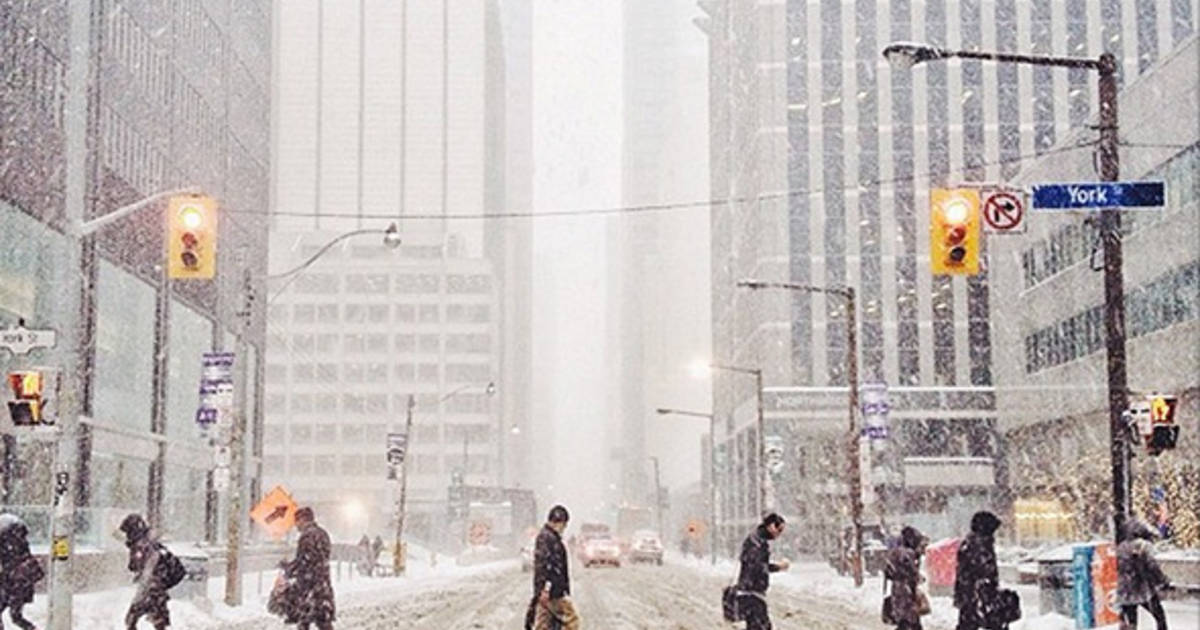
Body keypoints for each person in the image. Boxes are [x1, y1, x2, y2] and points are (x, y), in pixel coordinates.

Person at [525, 505, 579, 630]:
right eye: (564, 524)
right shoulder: (548, 538)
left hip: (550, 590)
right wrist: (546, 588)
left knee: (544, 623)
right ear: (558, 522)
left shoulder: (549, 537)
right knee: (571, 620)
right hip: (553, 592)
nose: (564, 528)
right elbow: (546, 565)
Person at [735, 513, 791, 630]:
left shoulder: (758, 540)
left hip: (752, 592)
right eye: (779, 529)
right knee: (762, 627)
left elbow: (757, 565)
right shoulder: (756, 543)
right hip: (752, 593)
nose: (779, 534)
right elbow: (756, 566)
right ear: (771, 526)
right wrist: (778, 567)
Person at [284, 507, 336, 630]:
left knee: (304, 620)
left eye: (297, 521)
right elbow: (322, 557)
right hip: (322, 583)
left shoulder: (307, 536)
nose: (296, 525)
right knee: (323, 620)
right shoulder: (323, 533)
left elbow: (304, 560)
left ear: (303, 519)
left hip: (309, 585)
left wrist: (290, 568)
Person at [120, 513, 171, 630]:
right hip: (157, 587)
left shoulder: (140, 546)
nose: (127, 536)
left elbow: (134, 566)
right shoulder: (148, 542)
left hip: (150, 587)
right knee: (158, 620)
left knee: (132, 618)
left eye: (127, 533)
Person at [1116, 519, 1170, 630]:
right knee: (1159, 615)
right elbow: (1152, 566)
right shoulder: (1144, 546)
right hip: (1142, 587)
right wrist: (1163, 581)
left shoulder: (1120, 547)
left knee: (1130, 619)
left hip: (1125, 588)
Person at [954, 511, 1001, 630]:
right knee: (975, 622)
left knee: (968, 622)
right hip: (977, 593)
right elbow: (984, 569)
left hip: (971, 593)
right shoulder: (979, 544)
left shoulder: (972, 542)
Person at [0, 514, 41, 630]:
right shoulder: (21, 546)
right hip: (18, 583)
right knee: (16, 616)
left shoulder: (10, 549)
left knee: (15, 616)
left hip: (14, 583)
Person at [885, 526, 929, 630]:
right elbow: (911, 573)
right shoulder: (907, 554)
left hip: (897, 592)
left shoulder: (895, 552)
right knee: (911, 624)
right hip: (906, 593)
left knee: (905, 623)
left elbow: (890, 572)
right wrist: (918, 577)